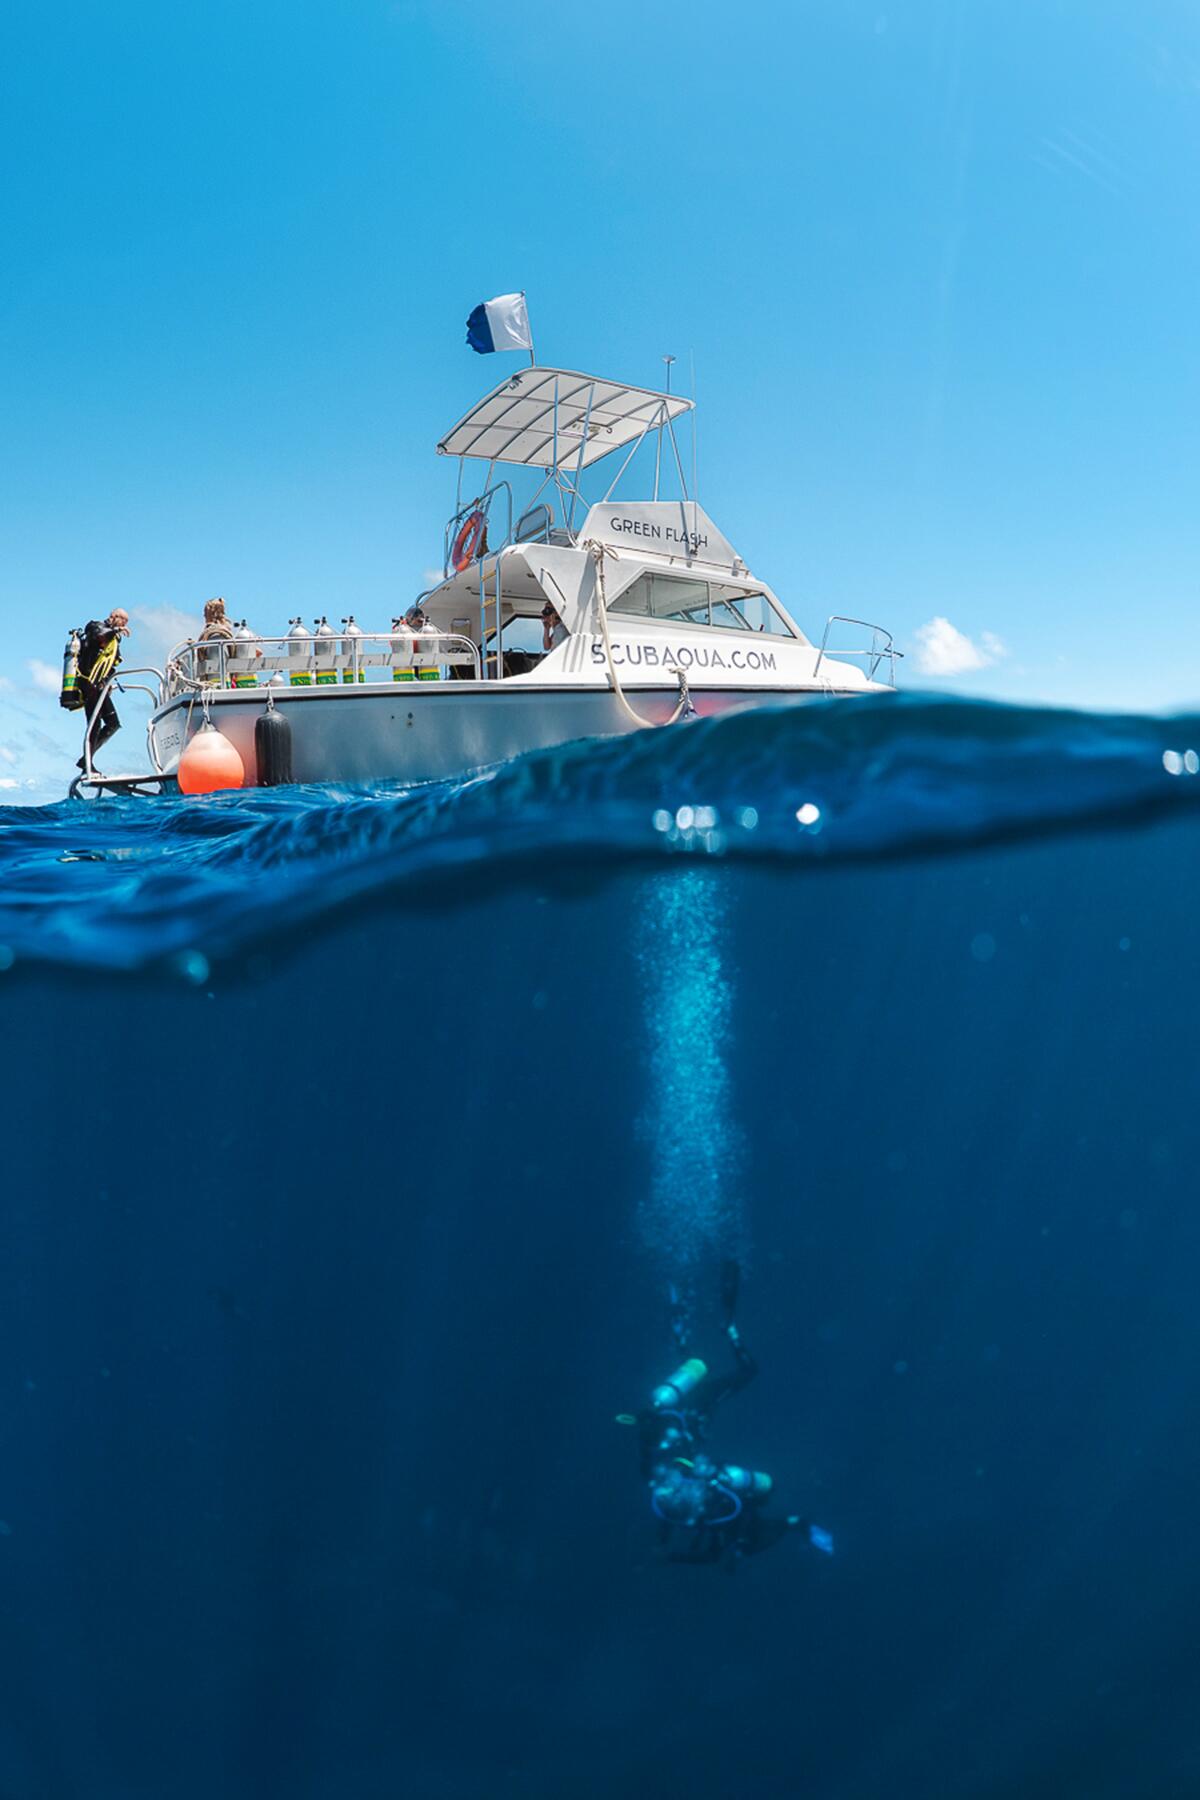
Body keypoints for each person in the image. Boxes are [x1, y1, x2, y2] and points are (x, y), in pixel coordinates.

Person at [622, 1260, 835, 1569]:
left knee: (738, 1372)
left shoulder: (691, 1497)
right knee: (710, 1372)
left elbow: (699, 1541)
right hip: (675, 1411)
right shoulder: (678, 1490)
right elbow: (660, 1477)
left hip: (688, 1409)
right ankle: (695, 1331)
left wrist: (666, 1551)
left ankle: (711, 1330)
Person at [75, 608, 130, 771]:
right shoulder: (95, 626)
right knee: (94, 724)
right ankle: (87, 764)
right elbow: (99, 637)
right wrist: (116, 630)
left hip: (99, 686)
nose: (125, 625)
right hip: (88, 684)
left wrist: (107, 681)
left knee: (113, 724)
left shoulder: (115, 640)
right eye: (123, 620)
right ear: (114, 617)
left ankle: (85, 760)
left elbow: (112, 665)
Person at [196, 597, 235, 684]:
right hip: (227, 680)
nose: (203, 616)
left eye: (205, 613)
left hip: (214, 682)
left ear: (211, 614)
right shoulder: (227, 632)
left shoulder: (215, 635)